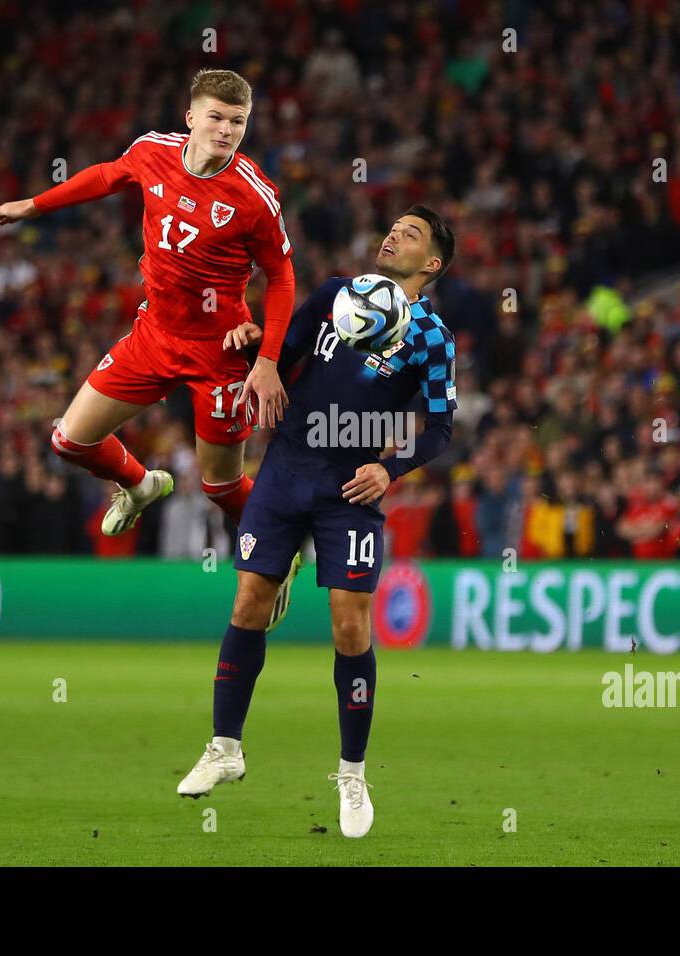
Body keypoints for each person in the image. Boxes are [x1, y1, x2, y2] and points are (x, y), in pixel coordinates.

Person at [175, 206, 457, 839]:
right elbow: (286, 351)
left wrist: (392, 470)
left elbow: (441, 425)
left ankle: (352, 775)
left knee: (350, 626)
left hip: (350, 489)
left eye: (410, 234)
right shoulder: (334, 293)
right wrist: (258, 347)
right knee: (248, 601)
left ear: (432, 265)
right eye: (392, 227)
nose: (392, 235)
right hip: (285, 470)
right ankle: (225, 748)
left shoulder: (432, 337)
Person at [0, 68, 295, 551]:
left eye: (238, 121)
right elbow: (106, 175)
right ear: (190, 117)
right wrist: (35, 205)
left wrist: (269, 359)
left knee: (220, 486)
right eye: (215, 117)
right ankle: (139, 484)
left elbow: (282, 276)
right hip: (153, 334)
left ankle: (282, 547)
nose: (226, 131)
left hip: (219, 351)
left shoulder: (255, 197)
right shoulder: (153, 151)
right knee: (69, 441)